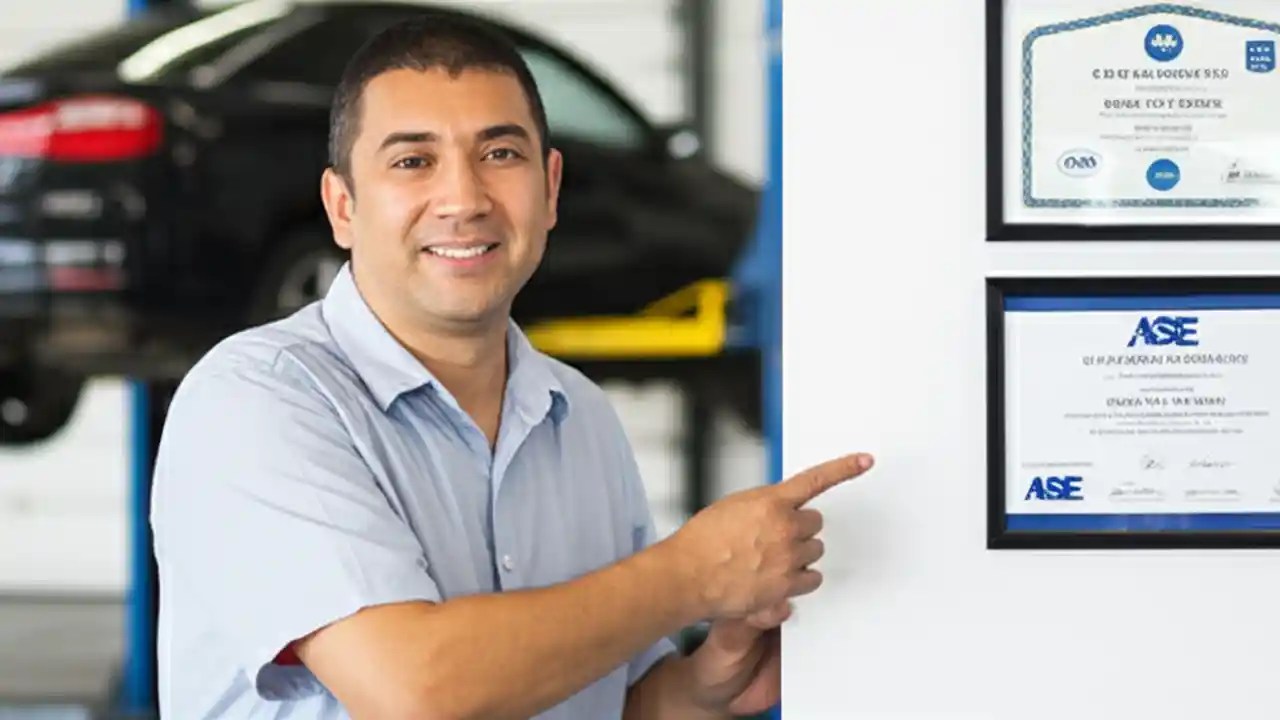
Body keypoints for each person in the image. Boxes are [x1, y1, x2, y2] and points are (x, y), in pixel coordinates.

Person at [149, 11, 875, 720]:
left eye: (500, 154)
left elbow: (609, 699)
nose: (464, 200)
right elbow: (416, 692)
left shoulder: (580, 418)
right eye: (413, 161)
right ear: (342, 207)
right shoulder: (255, 402)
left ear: (550, 188)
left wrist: (701, 690)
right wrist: (692, 576)